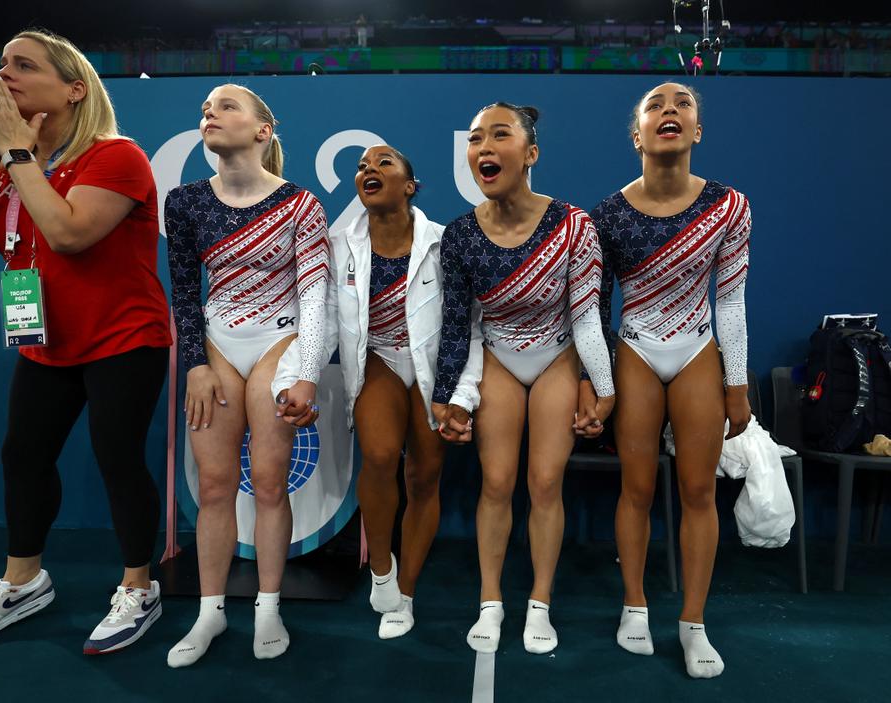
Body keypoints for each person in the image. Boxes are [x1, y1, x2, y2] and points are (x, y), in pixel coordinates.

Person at [0, 29, 172, 654]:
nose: (4, 75)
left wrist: (15, 153)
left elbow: (69, 234)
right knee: (23, 455)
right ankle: (24, 582)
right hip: (47, 341)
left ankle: (139, 587)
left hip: (124, 338)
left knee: (117, 457)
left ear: (74, 89)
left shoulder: (116, 156)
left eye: (24, 65)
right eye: (2, 64)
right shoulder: (9, 163)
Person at [274, 144, 481, 639]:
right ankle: (383, 569)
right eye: (362, 165)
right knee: (382, 455)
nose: (369, 169)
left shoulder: (445, 242)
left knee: (425, 476)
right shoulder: (336, 244)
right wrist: (294, 378)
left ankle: (405, 595)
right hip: (379, 361)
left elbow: (468, 327)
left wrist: (463, 393)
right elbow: (320, 321)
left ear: (410, 186)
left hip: (436, 369)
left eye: (384, 163)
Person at [433, 102, 615, 655]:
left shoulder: (574, 225)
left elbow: (589, 316)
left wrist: (600, 386)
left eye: (499, 135)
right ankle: (490, 601)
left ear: (531, 153)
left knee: (544, 483)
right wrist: (447, 396)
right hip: (499, 357)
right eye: (475, 139)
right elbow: (457, 325)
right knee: (495, 481)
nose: (484, 147)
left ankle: (540, 602)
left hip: (557, 355)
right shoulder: (461, 235)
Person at [584, 82, 751, 679]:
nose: (669, 110)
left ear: (697, 130)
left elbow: (730, 300)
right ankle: (635, 604)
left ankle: (693, 622)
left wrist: (737, 382)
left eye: (682, 104)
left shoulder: (729, 206)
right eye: (655, 105)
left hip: (697, 349)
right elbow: (593, 309)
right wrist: (597, 383)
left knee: (699, 491)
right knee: (637, 488)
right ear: (637, 135)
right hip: (635, 348)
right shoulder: (606, 215)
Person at [163, 83, 330, 666]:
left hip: (277, 343)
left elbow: (315, 296)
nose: (210, 112)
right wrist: (195, 365)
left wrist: (306, 372)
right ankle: (209, 612)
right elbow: (184, 292)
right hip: (218, 344)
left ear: (264, 130)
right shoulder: (185, 201)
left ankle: (268, 607)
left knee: (267, 482)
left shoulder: (300, 204)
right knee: (214, 486)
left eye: (226, 105)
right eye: (206, 108)